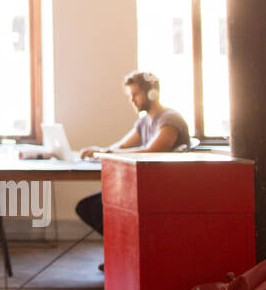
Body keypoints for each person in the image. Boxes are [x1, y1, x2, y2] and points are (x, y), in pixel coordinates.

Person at [75, 70, 191, 236]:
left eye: (136, 94)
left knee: (92, 207)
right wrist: (100, 152)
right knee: (87, 207)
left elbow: (153, 151)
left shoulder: (169, 119)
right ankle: (122, 252)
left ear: (152, 94)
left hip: (162, 191)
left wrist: (105, 153)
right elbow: (121, 147)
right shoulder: (144, 122)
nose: (132, 100)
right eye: (131, 95)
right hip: (144, 187)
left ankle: (129, 250)